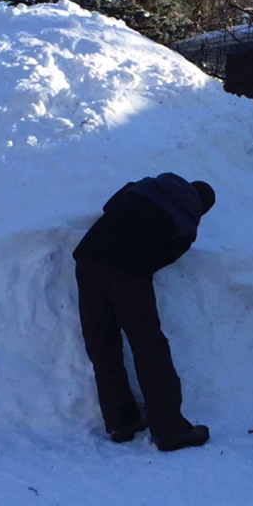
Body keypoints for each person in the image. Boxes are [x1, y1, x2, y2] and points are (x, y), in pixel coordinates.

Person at [72, 172, 215, 452]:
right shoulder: (186, 227)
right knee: (149, 345)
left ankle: (121, 422)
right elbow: (159, 259)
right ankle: (170, 429)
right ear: (202, 208)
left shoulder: (145, 184)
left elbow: (109, 207)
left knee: (102, 342)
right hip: (129, 270)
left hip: (89, 256)